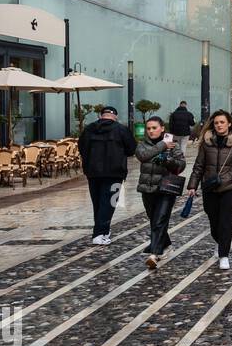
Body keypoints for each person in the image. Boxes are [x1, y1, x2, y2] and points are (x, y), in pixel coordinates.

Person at [186, 110, 232, 270]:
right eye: (216, 123)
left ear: (229, 124)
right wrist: (192, 185)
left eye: (222, 122)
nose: (219, 125)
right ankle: (220, 242)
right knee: (213, 220)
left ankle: (224, 255)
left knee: (226, 221)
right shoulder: (206, 142)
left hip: (230, 186)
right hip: (209, 187)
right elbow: (199, 166)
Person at [79, 105, 137, 245]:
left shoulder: (89, 129)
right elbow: (131, 149)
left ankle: (103, 231)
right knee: (110, 203)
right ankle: (99, 233)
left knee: (98, 203)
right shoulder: (121, 129)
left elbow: (81, 147)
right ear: (115, 116)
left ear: (101, 115)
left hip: (93, 172)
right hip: (115, 172)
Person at [135, 115, 186, 269]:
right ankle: (166, 245)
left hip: (166, 189)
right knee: (154, 220)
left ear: (162, 128)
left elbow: (181, 165)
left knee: (160, 220)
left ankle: (155, 253)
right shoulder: (143, 145)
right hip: (147, 189)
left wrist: (167, 160)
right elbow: (143, 156)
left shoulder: (174, 145)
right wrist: (163, 145)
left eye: (154, 128)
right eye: (149, 128)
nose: (151, 131)